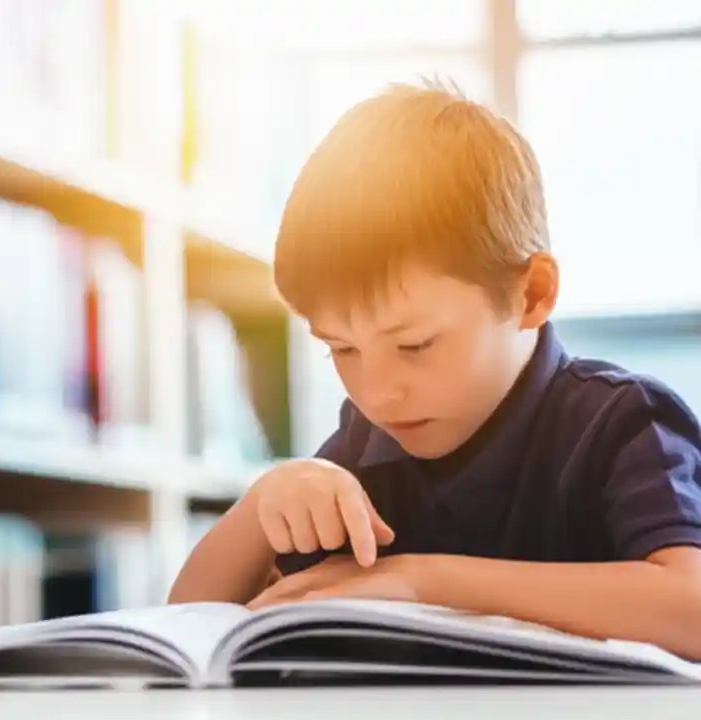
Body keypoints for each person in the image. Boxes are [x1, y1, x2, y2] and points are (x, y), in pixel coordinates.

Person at [168, 81, 701, 660]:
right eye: (342, 350)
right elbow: (185, 632)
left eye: (416, 345)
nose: (378, 393)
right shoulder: (365, 445)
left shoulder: (621, 421)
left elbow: (691, 609)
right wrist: (257, 509)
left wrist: (423, 581)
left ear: (531, 295)